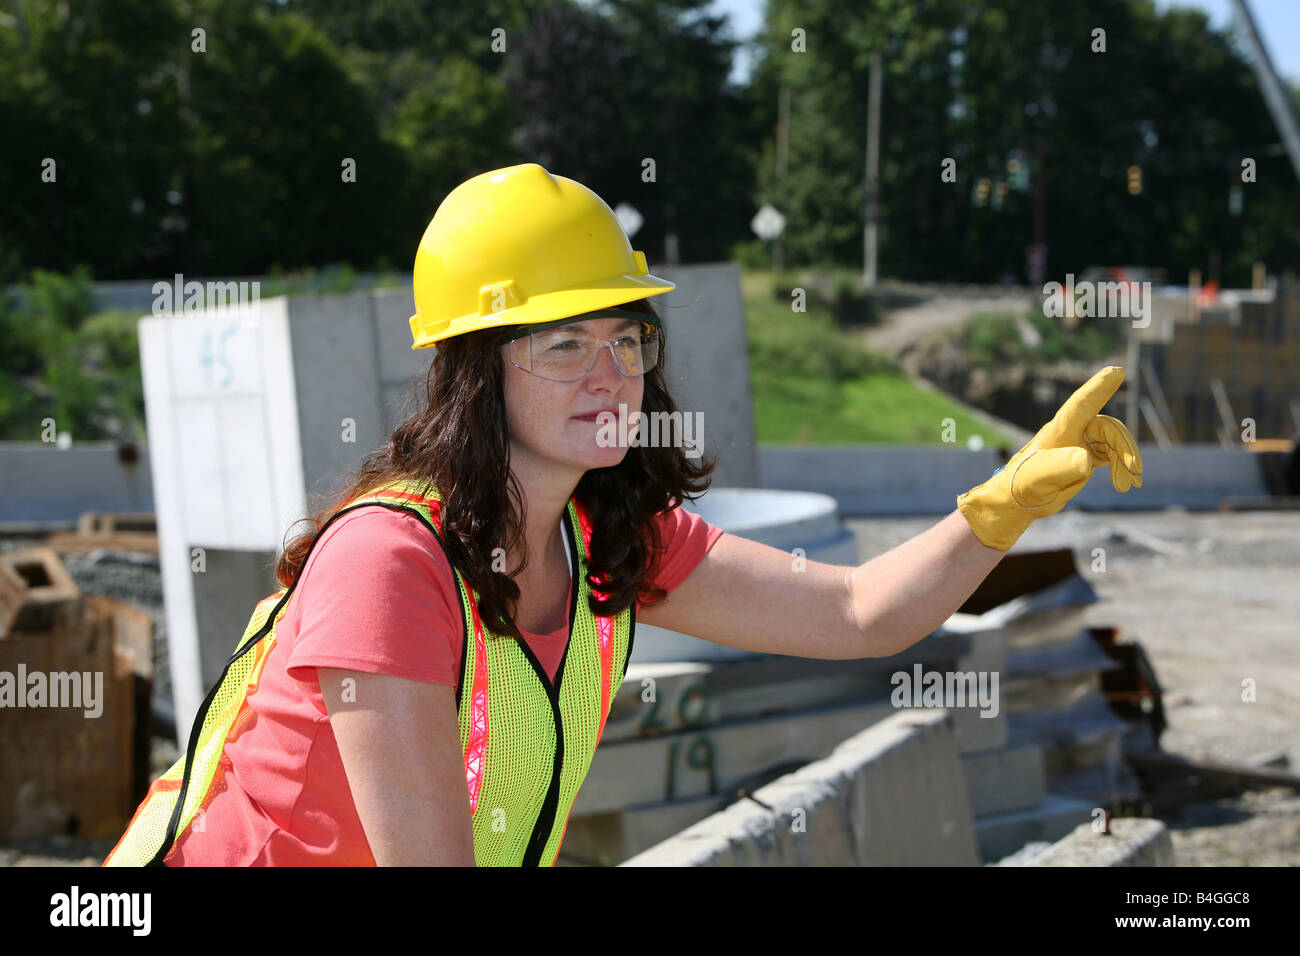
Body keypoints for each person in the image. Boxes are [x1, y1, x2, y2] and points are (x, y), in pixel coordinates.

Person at [104, 163, 1143, 868]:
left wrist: (1001, 503)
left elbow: (857, 614)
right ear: (474, 370)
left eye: (626, 338)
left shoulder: (606, 535)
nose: (613, 375)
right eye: (564, 345)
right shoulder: (390, 560)